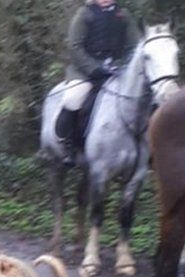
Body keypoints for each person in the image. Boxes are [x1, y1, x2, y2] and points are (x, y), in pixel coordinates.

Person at [56, 0, 139, 167]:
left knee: (142, 96)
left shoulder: (124, 15)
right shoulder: (84, 14)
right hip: (85, 70)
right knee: (73, 98)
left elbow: (134, 46)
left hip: (117, 70)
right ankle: (69, 145)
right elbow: (75, 46)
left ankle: (145, 146)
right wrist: (94, 68)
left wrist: (122, 64)